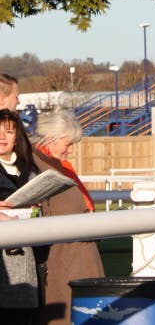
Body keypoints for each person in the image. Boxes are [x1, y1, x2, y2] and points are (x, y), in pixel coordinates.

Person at [32, 110, 104, 325]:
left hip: (76, 257)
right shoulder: (37, 165)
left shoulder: (58, 166)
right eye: (68, 144)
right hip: (61, 262)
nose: (71, 151)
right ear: (51, 139)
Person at [0, 109, 41, 323]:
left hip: (28, 258)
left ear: (17, 137)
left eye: (8, 131)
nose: (2, 137)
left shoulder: (30, 169)